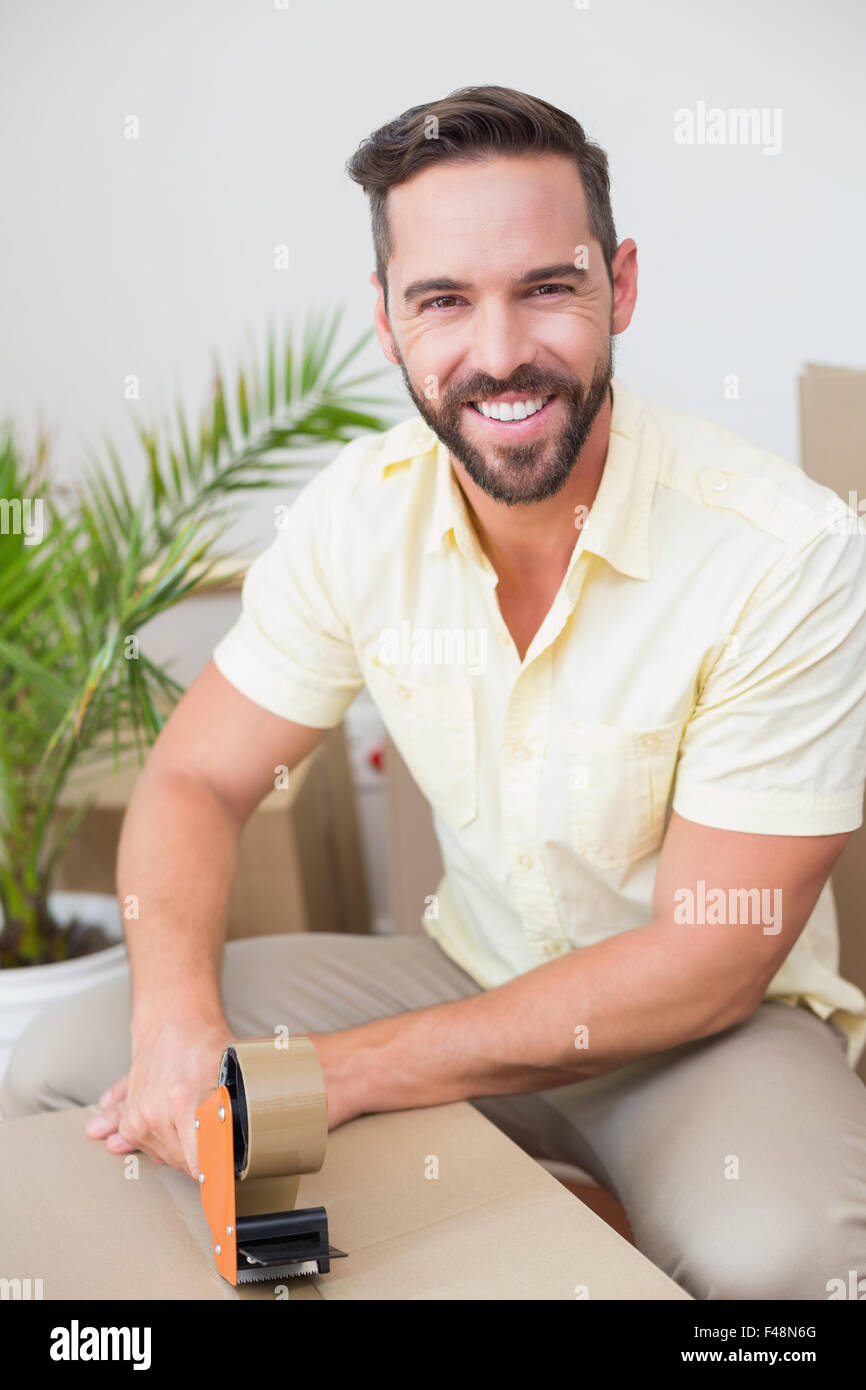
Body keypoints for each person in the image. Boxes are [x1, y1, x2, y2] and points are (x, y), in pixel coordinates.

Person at [4, 84, 866, 1302]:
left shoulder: (782, 548)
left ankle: (594, 1194)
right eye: (445, 300)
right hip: (467, 972)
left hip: (703, 1034)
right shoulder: (359, 514)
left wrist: (338, 1073)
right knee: (63, 1061)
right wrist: (175, 1033)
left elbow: (707, 959)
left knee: (797, 1264)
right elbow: (198, 774)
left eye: (546, 288)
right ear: (387, 320)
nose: (500, 351)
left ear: (618, 285)